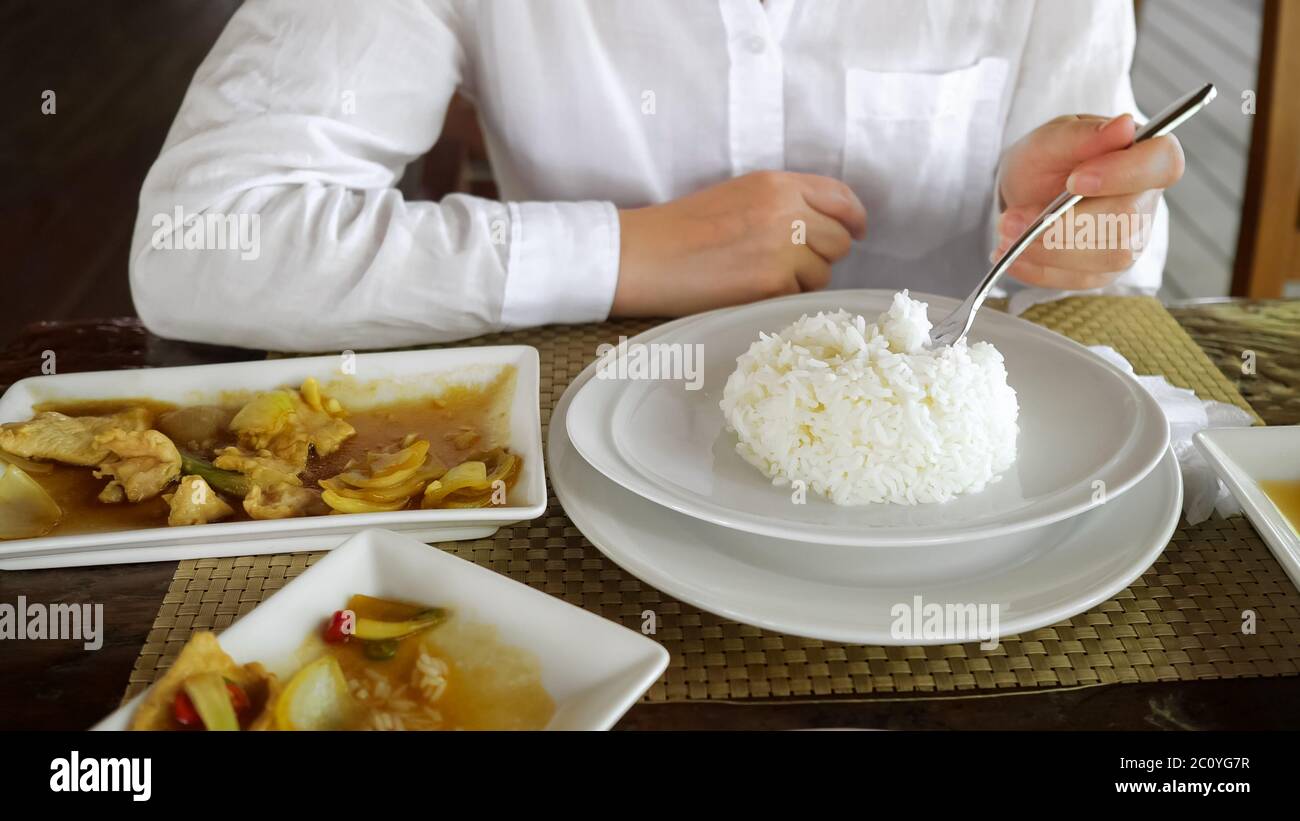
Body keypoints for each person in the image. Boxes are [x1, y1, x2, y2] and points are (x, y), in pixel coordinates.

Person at [131, 0, 1183, 352]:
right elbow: (206, 239)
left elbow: (1101, 268)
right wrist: (624, 250)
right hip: (585, 477)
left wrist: (1079, 238)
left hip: (967, 498)